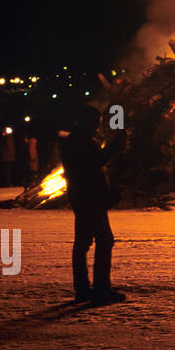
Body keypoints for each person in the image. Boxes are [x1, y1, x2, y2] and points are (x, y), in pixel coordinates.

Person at [59, 106, 126, 304]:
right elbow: (96, 161)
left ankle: (83, 289)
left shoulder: (76, 140)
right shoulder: (80, 141)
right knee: (104, 240)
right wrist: (117, 144)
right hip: (89, 197)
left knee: (83, 242)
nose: (98, 126)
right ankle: (101, 288)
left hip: (83, 196)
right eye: (96, 121)